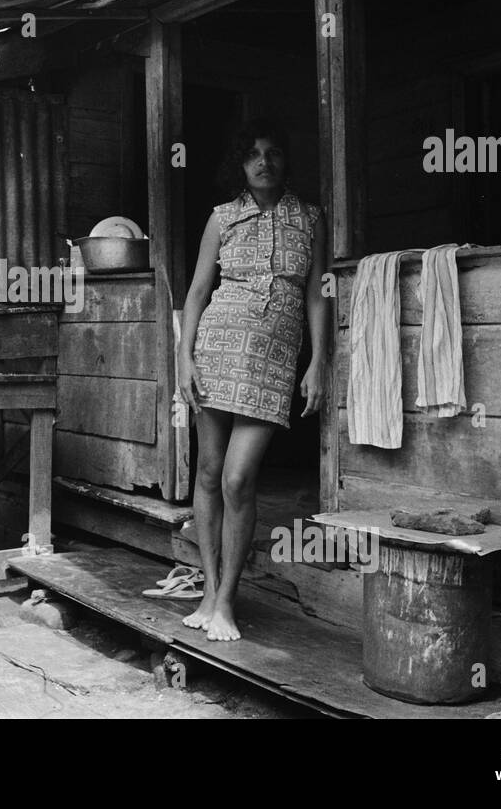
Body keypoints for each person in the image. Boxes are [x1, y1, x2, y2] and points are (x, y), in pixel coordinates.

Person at [177, 120, 330, 641]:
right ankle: (207, 592)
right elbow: (197, 292)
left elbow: (316, 293)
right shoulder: (222, 218)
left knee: (239, 479)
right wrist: (184, 359)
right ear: (240, 165)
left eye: (273, 153)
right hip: (216, 346)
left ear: (285, 161)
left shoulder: (310, 218)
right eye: (253, 155)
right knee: (208, 474)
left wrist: (319, 361)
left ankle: (227, 601)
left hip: (273, 356)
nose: (264, 162)